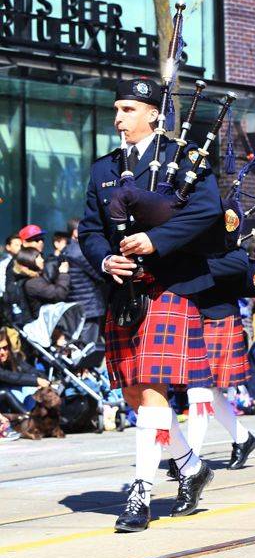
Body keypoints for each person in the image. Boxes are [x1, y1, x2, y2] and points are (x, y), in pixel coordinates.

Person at [77, 78, 219, 532]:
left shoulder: (184, 158)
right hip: (125, 290)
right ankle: (191, 465)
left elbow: (207, 211)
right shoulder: (104, 169)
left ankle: (140, 490)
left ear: (153, 113)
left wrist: (154, 241)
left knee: (153, 387)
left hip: (169, 285)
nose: (118, 119)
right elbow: (90, 229)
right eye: (117, 110)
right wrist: (105, 258)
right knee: (135, 394)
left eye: (127, 109)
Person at [171, 248, 255, 480]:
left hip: (218, 315)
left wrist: (191, 262)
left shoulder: (222, 237)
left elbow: (238, 265)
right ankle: (243, 438)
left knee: (199, 390)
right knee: (208, 391)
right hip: (192, 315)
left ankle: (190, 458)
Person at [63, 218, 109, 353]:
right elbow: (99, 273)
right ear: (75, 232)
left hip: (77, 306)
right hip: (89, 306)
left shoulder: (67, 249)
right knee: (88, 350)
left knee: (80, 346)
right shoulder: (79, 251)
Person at [6, 247, 70, 323]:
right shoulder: (32, 283)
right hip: (41, 325)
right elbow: (59, 294)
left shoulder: (34, 277)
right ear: (29, 261)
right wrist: (63, 274)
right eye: (37, 257)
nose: (42, 260)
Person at [0, 327, 49, 415]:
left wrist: (42, 379)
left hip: (18, 390)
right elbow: (11, 377)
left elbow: (31, 370)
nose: (2, 352)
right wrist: (36, 381)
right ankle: (29, 417)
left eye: (4, 347)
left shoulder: (12, 357)